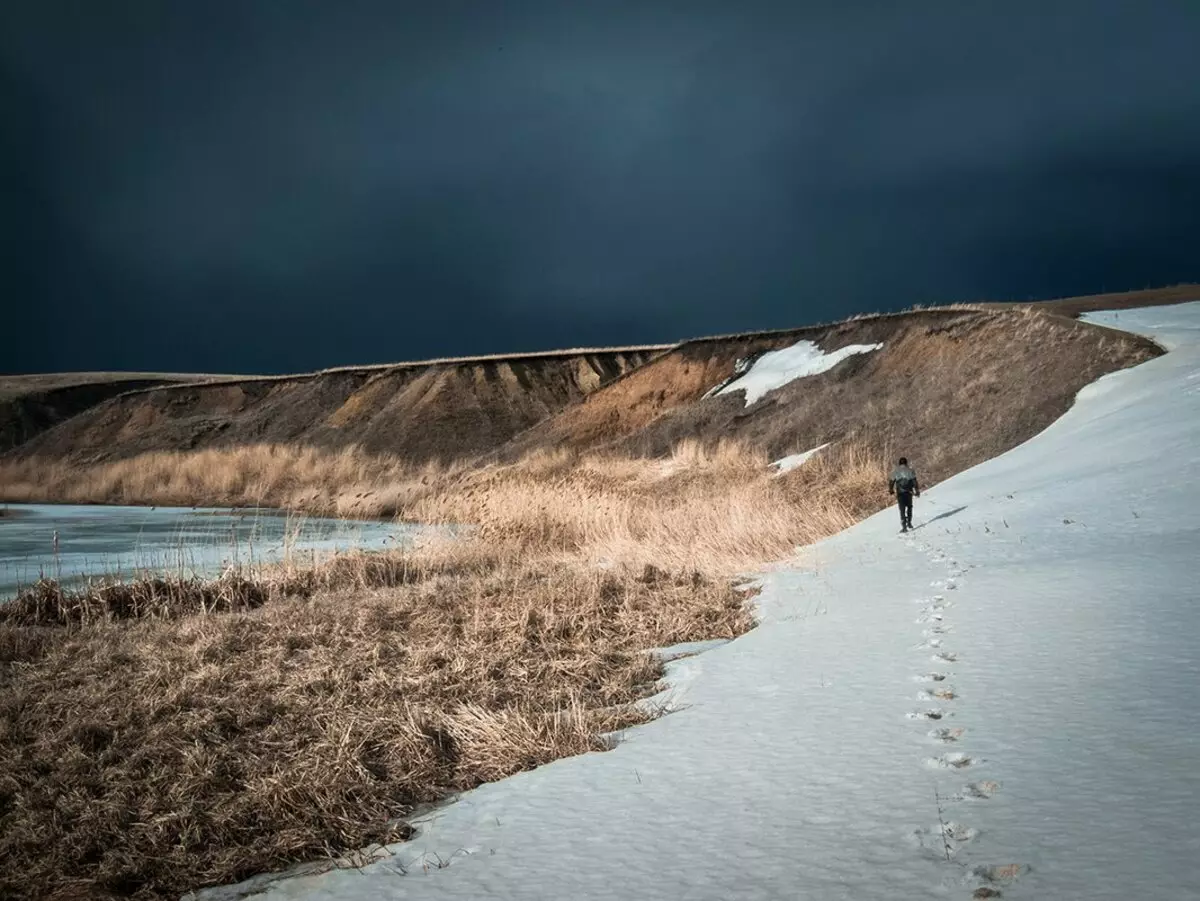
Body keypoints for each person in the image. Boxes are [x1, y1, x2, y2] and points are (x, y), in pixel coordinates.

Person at [888, 457, 920, 532]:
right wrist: (917, 491)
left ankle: (904, 526)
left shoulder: (895, 471)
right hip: (909, 492)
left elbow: (891, 482)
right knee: (909, 507)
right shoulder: (910, 470)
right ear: (906, 463)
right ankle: (909, 522)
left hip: (900, 493)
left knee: (902, 509)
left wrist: (891, 490)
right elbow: (914, 481)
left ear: (899, 463)